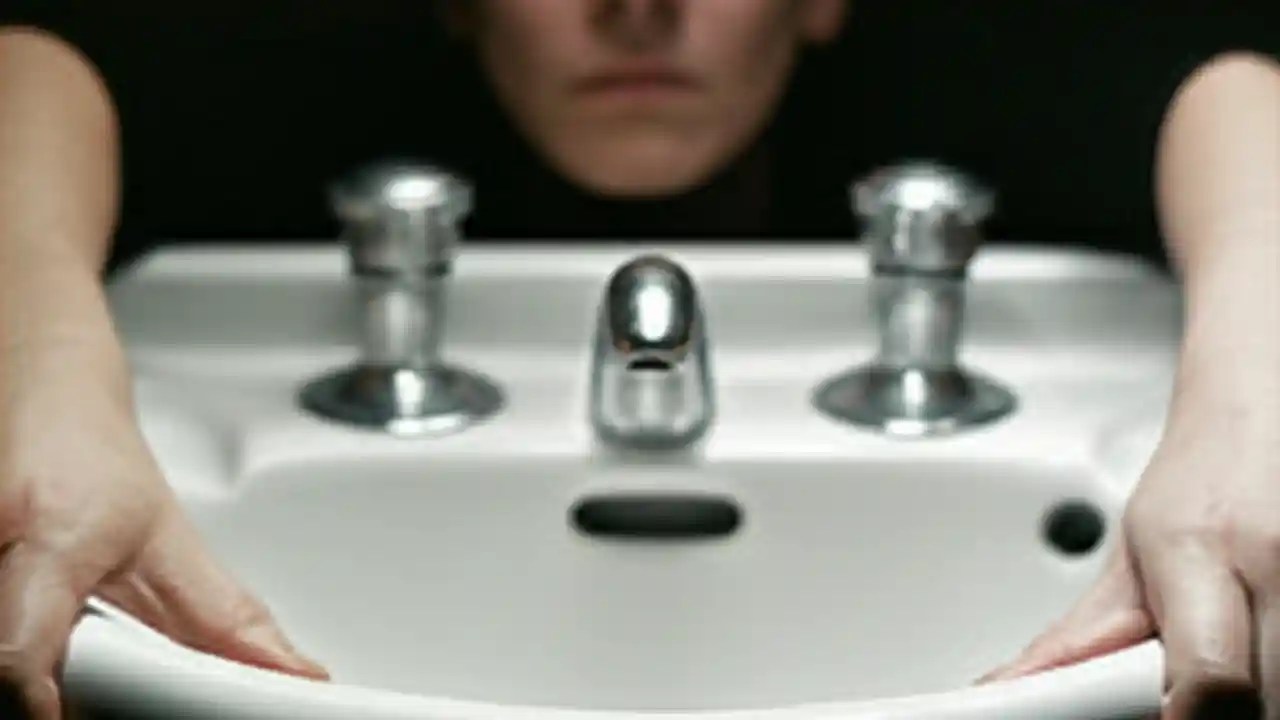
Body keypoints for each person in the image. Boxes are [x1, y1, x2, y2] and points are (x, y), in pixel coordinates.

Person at [0, 2, 1276, 718]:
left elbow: (1219, 88)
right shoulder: (284, 71)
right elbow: (41, 64)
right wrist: (43, 369)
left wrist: (1251, 404)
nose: (637, 10)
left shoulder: (997, 66)